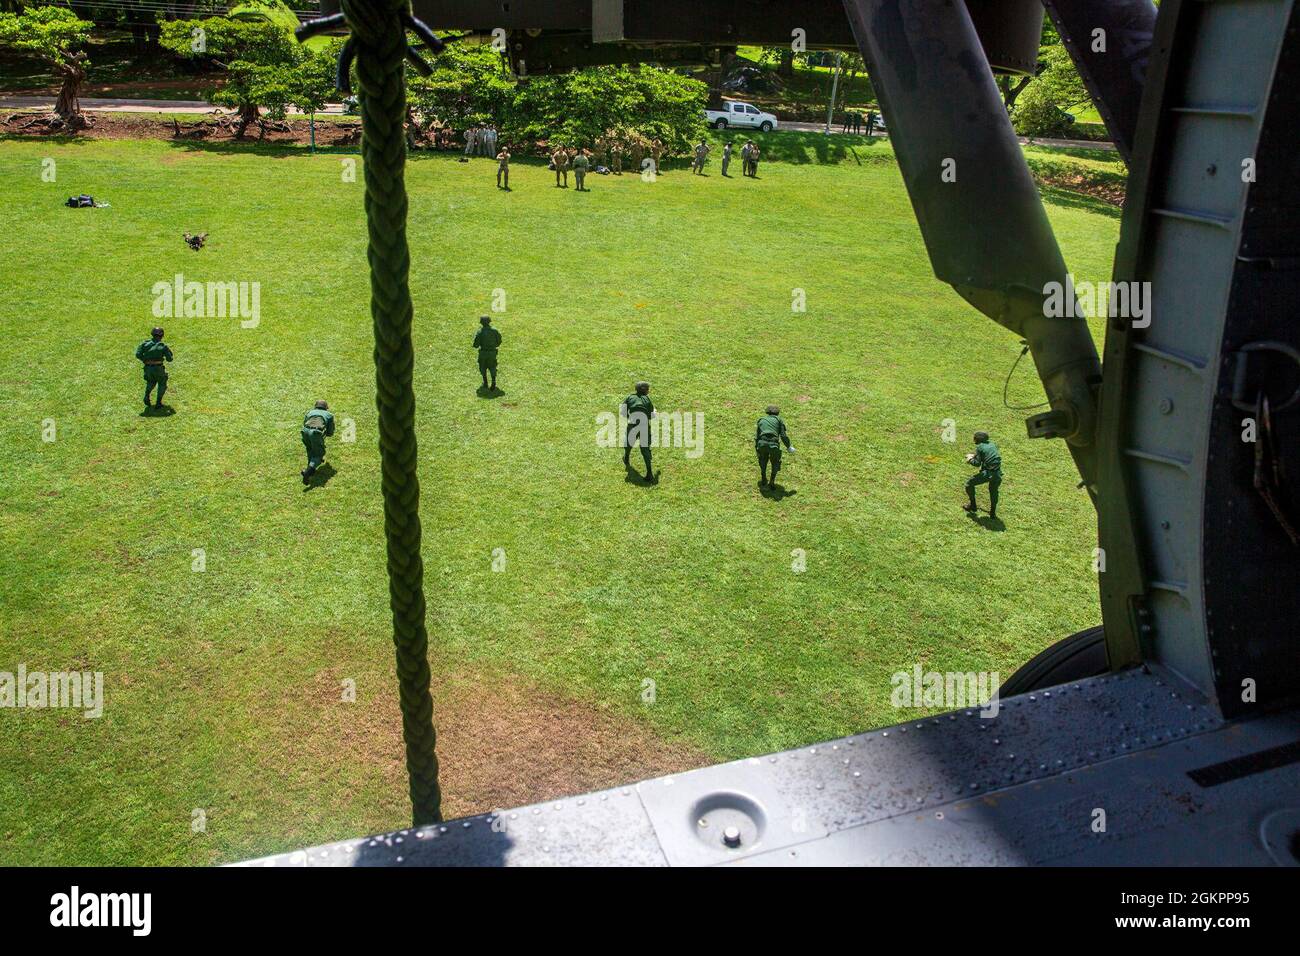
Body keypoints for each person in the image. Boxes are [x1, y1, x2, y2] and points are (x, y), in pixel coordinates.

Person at [621, 381, 657, 482]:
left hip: (632, 424)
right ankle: (649, 473)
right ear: (645, 390)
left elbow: (623, 412)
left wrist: (630, 417)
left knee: (628, 442)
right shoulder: (647, 399)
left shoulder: (630, 397)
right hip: (644, 426)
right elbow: (651, 416)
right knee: (645, 449)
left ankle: (626, 457)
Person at [963, 431, 1003, 519]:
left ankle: (973, 506)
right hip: (998, 473)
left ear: (978, 439)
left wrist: (970, 459)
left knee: (969, 484)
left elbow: (977, 463)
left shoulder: (980, 447)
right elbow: (987, 455)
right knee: (993, 492)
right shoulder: (992, 444)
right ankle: (993, 513)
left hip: (988, 473)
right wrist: (974, 455)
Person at [755, 404, 794, 488]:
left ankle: (763, 478)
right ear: (777, 413)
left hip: (761, 444)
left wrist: (757, 449)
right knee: (775, 462)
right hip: (773, 445)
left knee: (763, 460)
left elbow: (757, 437)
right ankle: (772, 482)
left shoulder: (761, 420)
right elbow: (783, 436)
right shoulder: (778, 420)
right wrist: (788, 446)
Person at [135, 326, 174, 409]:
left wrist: (145, 360)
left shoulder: (145, 344)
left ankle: (146, 396)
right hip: (158, 368)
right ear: (162, 335)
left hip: (148, 368)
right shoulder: (163, 346)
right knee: (162, 383)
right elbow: (169, 359)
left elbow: (138, 354)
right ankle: (158, 403)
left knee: (150, 382)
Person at [300, 400, 335, 484]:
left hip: (304, 431)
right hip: (315, 433)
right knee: (318, 454)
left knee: (310, 449)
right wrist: (328, 434)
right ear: (326, 407)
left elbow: (305, 422)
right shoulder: (329, 415)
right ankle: (307, 472)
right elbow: (330, 431)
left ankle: (310, 469)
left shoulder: (310, 412)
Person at [473, 315, 502, 391]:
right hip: (492, 353)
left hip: (483, 353)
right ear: (489, 321)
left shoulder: (480, 332)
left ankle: (485, 382)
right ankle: (493, 382)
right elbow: (499, 341)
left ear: (481, 323)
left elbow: (476, 345)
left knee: (483, 367)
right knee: (492, 367)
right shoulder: (495, 331)